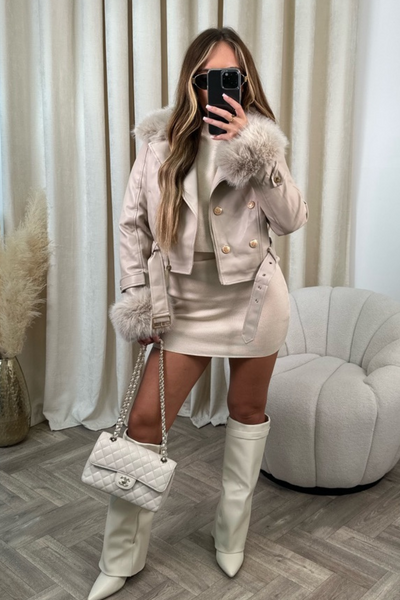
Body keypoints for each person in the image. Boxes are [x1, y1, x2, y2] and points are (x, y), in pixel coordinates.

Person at [88, 26, 308, 600]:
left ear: (245, 82)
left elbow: (291, 220)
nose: (217, 88)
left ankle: (230, 536)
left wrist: (255, 149)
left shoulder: (261, 144)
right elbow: (132, 226)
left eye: (228, 76)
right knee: (143, 424)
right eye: (206, 77)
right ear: (191, 81)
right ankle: (120, 557)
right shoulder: (160, 146)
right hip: (183, 304)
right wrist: (138, 299)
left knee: (247, 413)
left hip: (253, 301)